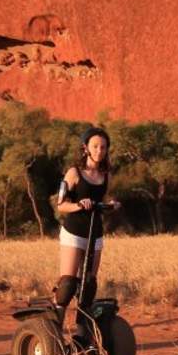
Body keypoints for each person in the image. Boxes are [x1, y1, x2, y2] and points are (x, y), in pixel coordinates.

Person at [51, 127, 114, 321]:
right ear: (85, 148)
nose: (99, 151)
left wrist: (113, 204)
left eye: (103, 147)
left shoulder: (106, 175)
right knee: (68, 285)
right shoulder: (74, 173)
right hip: (74, 233)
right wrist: (79, 205)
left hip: (95, 234)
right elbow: (61, 205)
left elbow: (108, 197)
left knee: (88, 286)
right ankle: (54, 329)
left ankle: (82, 335)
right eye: (95, 146)